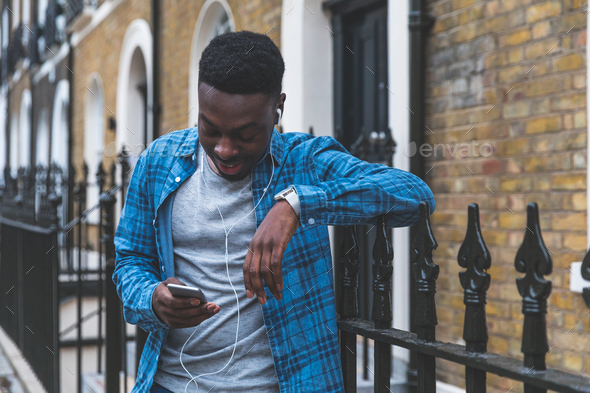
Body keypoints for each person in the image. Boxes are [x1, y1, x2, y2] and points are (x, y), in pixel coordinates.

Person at [113, 31, 435, 393]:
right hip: (170, 383)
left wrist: (297, 205)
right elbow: (131, 259)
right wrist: (151, 299)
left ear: (277, 107)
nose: (225, 149)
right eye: (210, 128)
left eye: (246, 134)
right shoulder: (158, 161)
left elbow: (415, 196)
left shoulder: (304, 160)